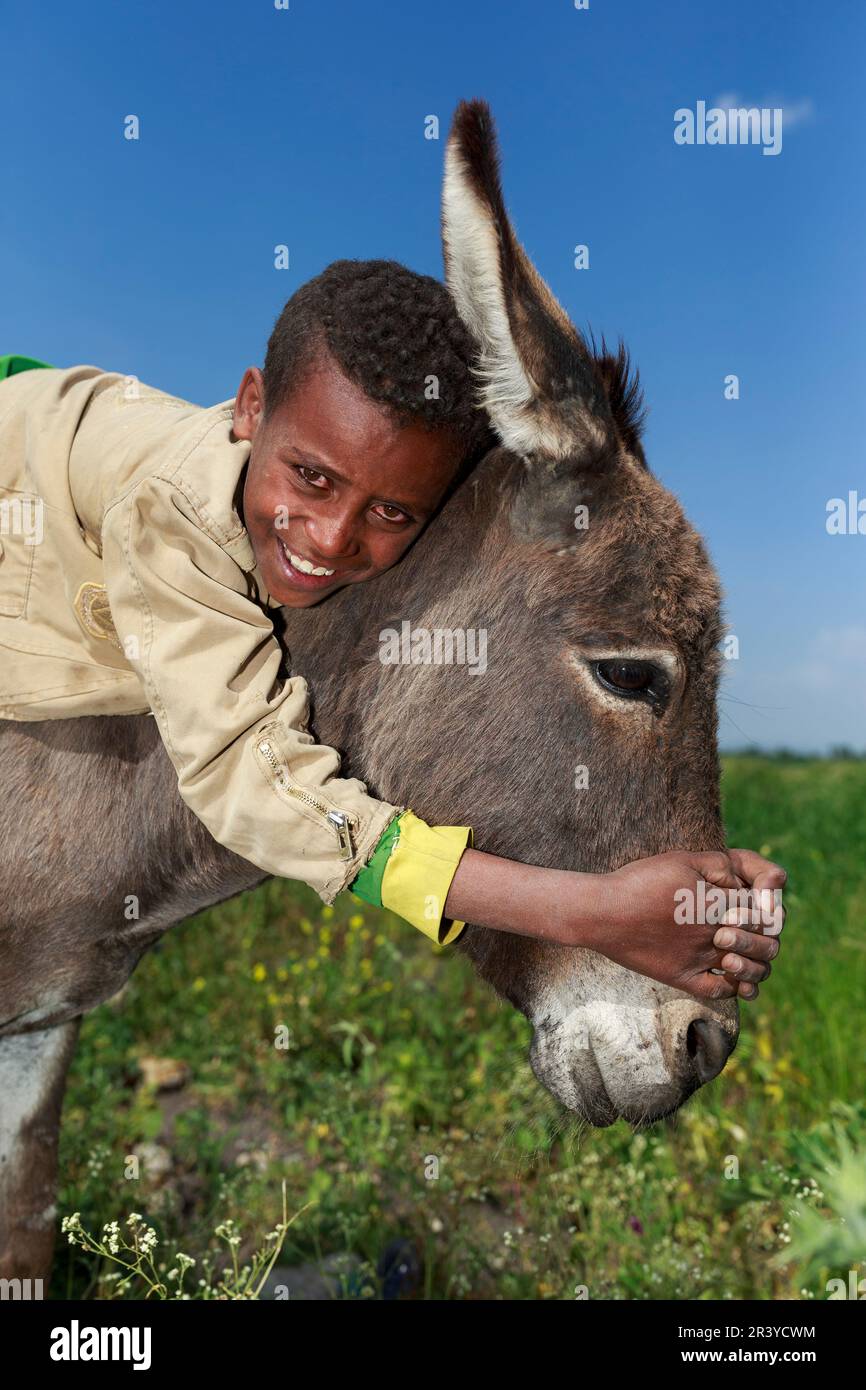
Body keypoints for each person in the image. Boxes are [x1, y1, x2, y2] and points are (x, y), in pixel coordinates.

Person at [0, 260, 784, 1003]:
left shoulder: (301, 533)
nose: (333, 538)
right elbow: (245, 781)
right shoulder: (173, 513)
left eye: (392, 513)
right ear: (250, 408)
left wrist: (699, 875)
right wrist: (589, 914)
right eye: (312, 478)